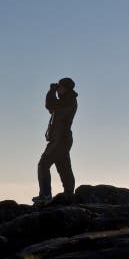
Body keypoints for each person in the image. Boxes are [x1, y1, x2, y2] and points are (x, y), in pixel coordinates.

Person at [33, 77, 78, 205]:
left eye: (60, 87)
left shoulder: (68, 101)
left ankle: (45, 195)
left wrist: (51, 90)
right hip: (62, 139)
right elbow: (51, 108)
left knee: (43, 164)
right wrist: (53, 91)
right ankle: (69, 193)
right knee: (63, 166)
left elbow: (50, 104)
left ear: (66, 88)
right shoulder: (66, 101)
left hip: (60, 140)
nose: (58, 89)